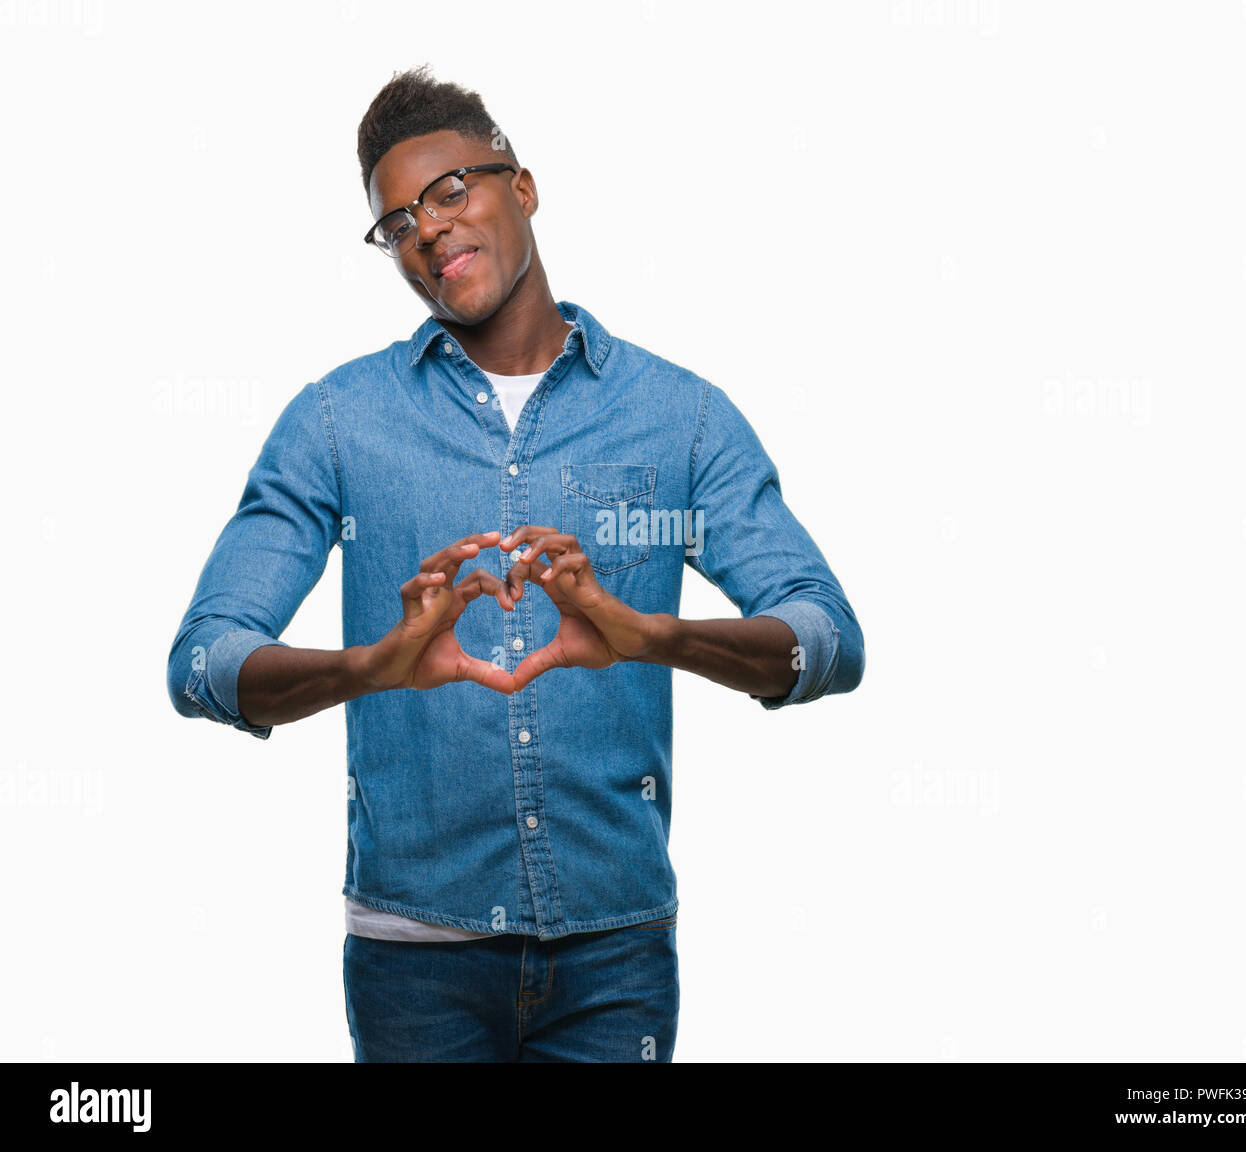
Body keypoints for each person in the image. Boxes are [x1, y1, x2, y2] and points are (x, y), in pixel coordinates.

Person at [166, 65, 865, 1062]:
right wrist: (363, 668)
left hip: (614, 953)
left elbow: (828, 640)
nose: (428, 229)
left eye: (452, 189)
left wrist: (653, 637)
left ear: (522, 189)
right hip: (415, 963)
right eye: (398, 221)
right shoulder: (336, 421)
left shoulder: (681, 417)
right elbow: (202, 665)